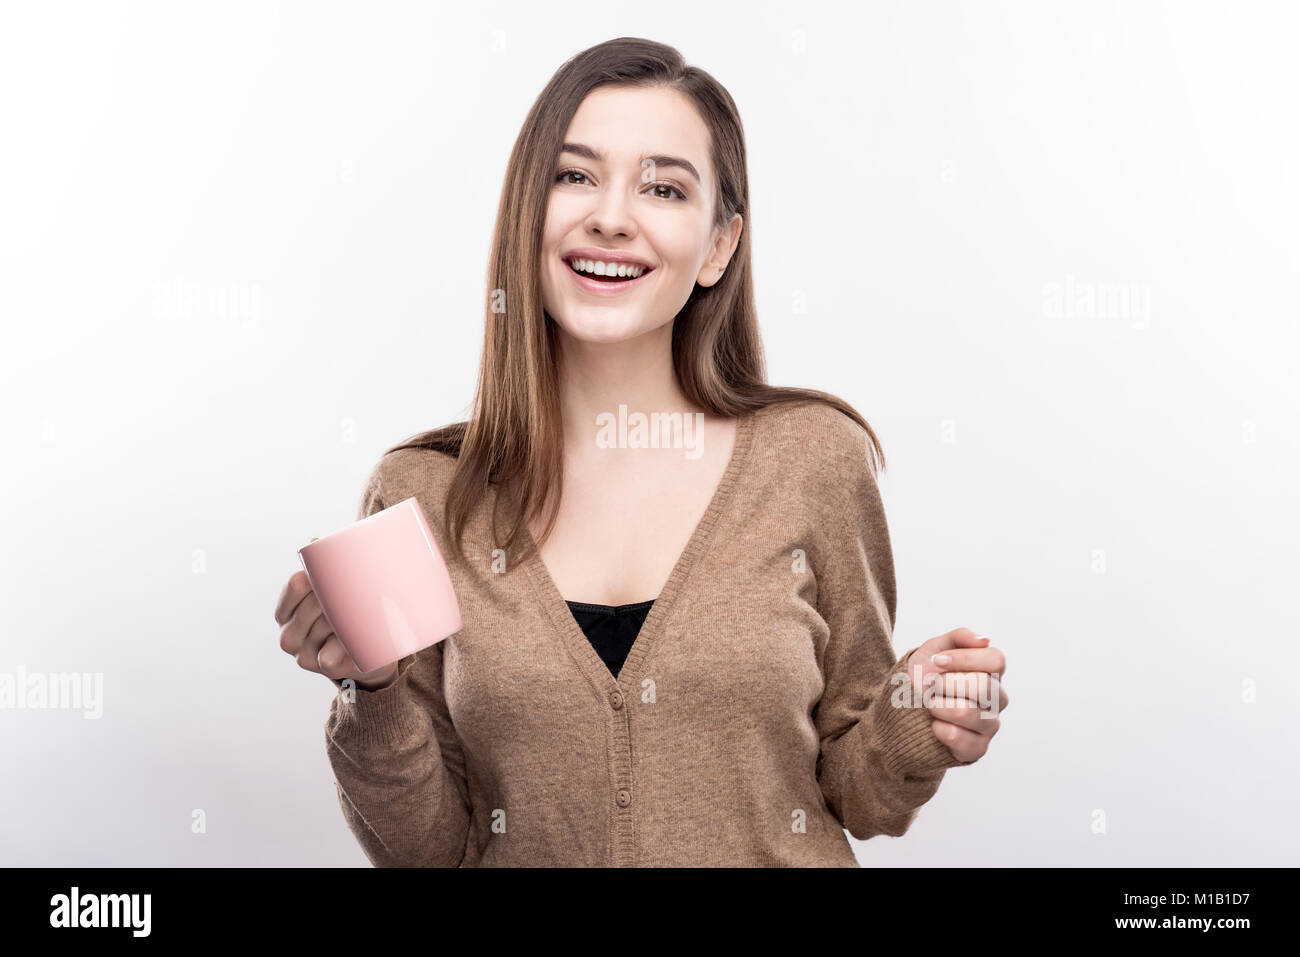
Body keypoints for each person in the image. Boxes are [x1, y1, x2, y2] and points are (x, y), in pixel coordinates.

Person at [274, 37, 1008, 867]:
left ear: (720, 246)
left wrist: (919, 716)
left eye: (662, 187)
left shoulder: (814, 459)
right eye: (575, 175)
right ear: (528, 212)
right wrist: (366, 686)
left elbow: (854, 792)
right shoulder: (423, 494)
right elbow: (429, 847)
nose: (612, 216)